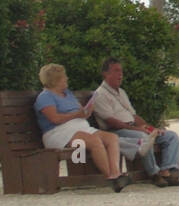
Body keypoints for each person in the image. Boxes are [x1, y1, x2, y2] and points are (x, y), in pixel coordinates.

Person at [91, 57, 179, 187]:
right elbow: (113, 123)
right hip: (117, 132)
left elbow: (134, 116)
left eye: (121, 71)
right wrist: (138, 130)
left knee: (170, 136)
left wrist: (151, 128)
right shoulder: (100, 95)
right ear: (105, 73)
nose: (120, 75)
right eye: (116, 71)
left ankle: (167, 171)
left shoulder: (121, 92)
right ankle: (154, 174)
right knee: (144, 137)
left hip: (132, 128)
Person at [33, 64, 128, 192]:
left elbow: (80, 112)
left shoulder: (67, 94)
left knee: (112, 138)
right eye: (63, 77)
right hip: (59, 132)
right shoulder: (45, 97)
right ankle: (110, 177)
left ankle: (117, 174)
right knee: (94, 141)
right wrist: (76, 115)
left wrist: (87, 112)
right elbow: (55, 119)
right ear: (55, 80)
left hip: (81, 128)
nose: (66, 79)